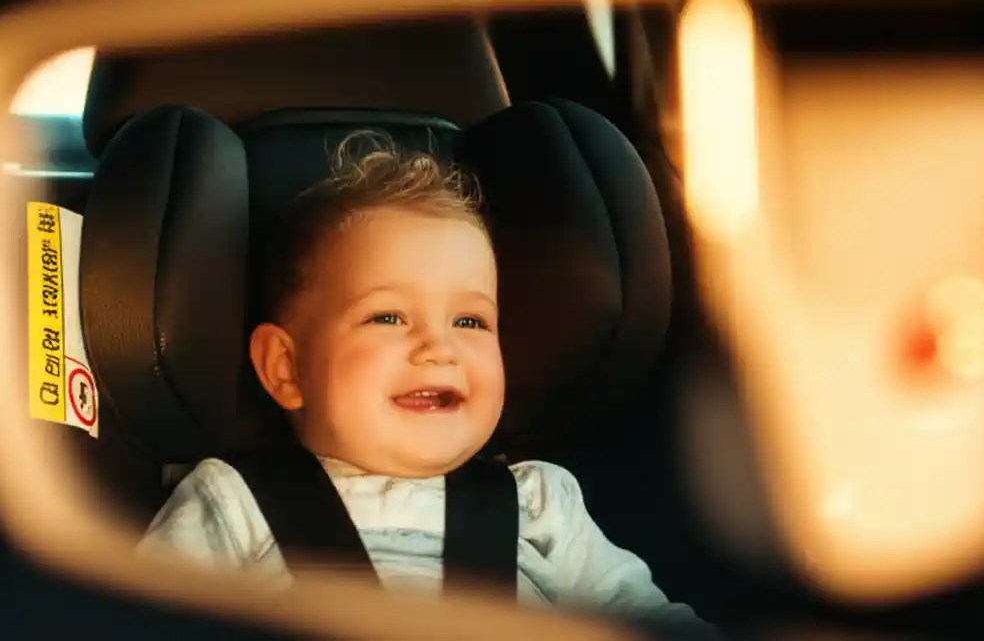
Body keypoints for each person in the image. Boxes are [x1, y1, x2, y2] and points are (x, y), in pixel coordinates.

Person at [140, 131, 713, 633]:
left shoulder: (539, 503)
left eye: (470, 322)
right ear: (286, 368)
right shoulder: (233, 502)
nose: (440, 348)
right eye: (388, 317)